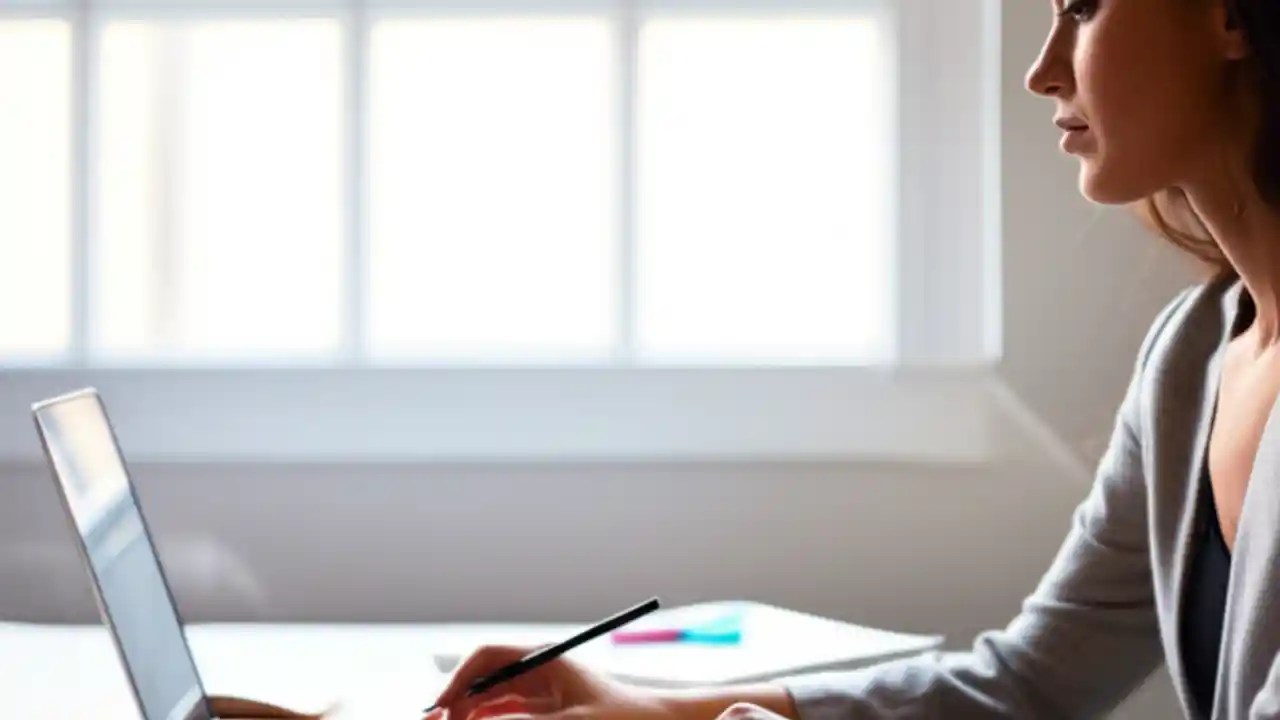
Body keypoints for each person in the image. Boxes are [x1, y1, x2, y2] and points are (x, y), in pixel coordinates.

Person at [423, 0, 1280, 718]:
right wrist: (650, 710)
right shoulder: (1193, 353)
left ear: (1231, 15)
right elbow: (1028, 685)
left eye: (1084, 8)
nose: (1043, 69)